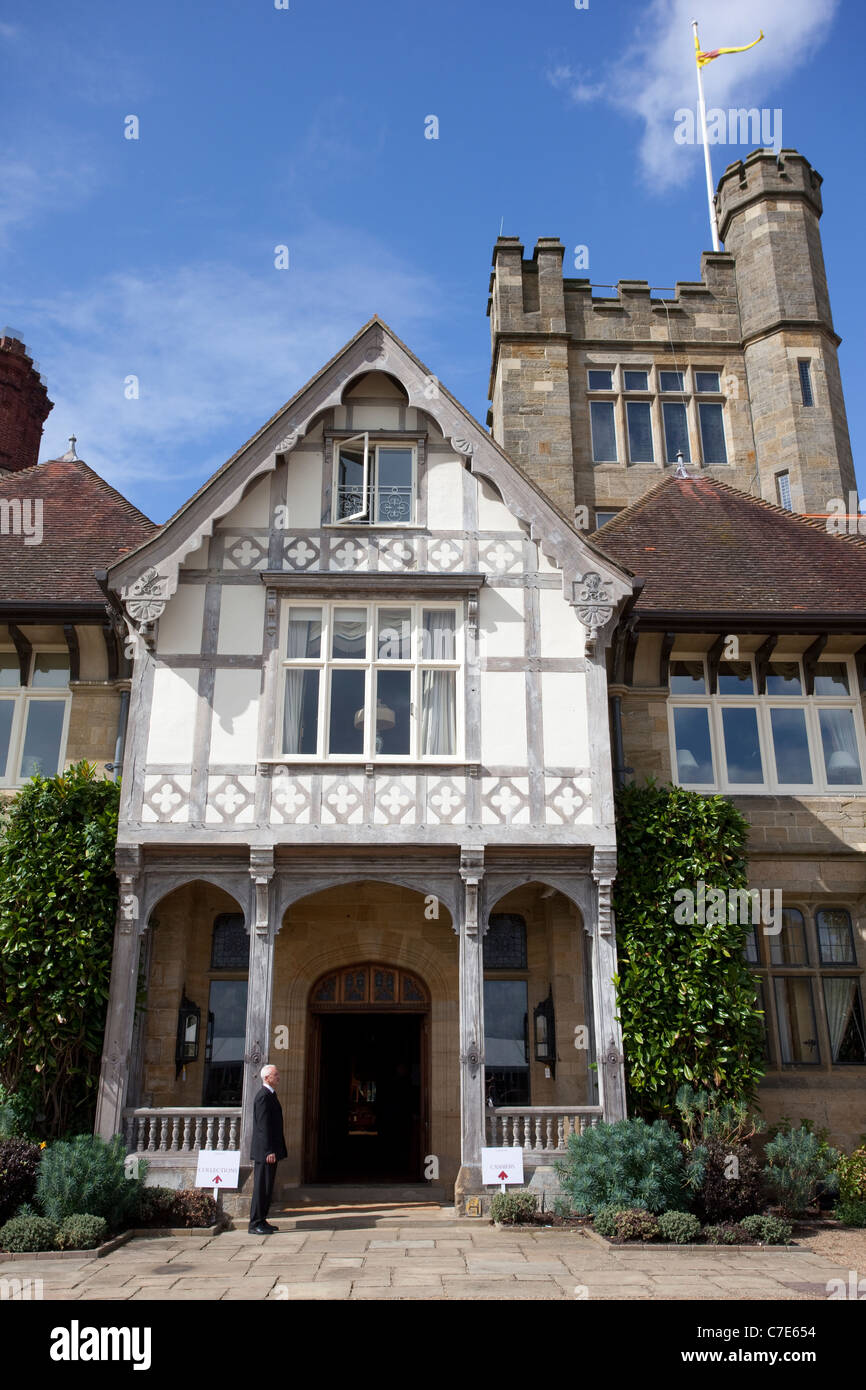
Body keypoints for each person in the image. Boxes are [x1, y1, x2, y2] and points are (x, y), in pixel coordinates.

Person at [248, 1063, 287, 1235]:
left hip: (271, 1150)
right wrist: (268, 1151)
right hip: (265, 1152)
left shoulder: (270, 1094)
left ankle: (262, 1220)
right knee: (261, 1187)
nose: (278, 1076)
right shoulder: (263, 1096)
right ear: (266, 1077)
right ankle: (255, 1222)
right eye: (275, 1074)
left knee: (267, 1187)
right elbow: (263, 1127)